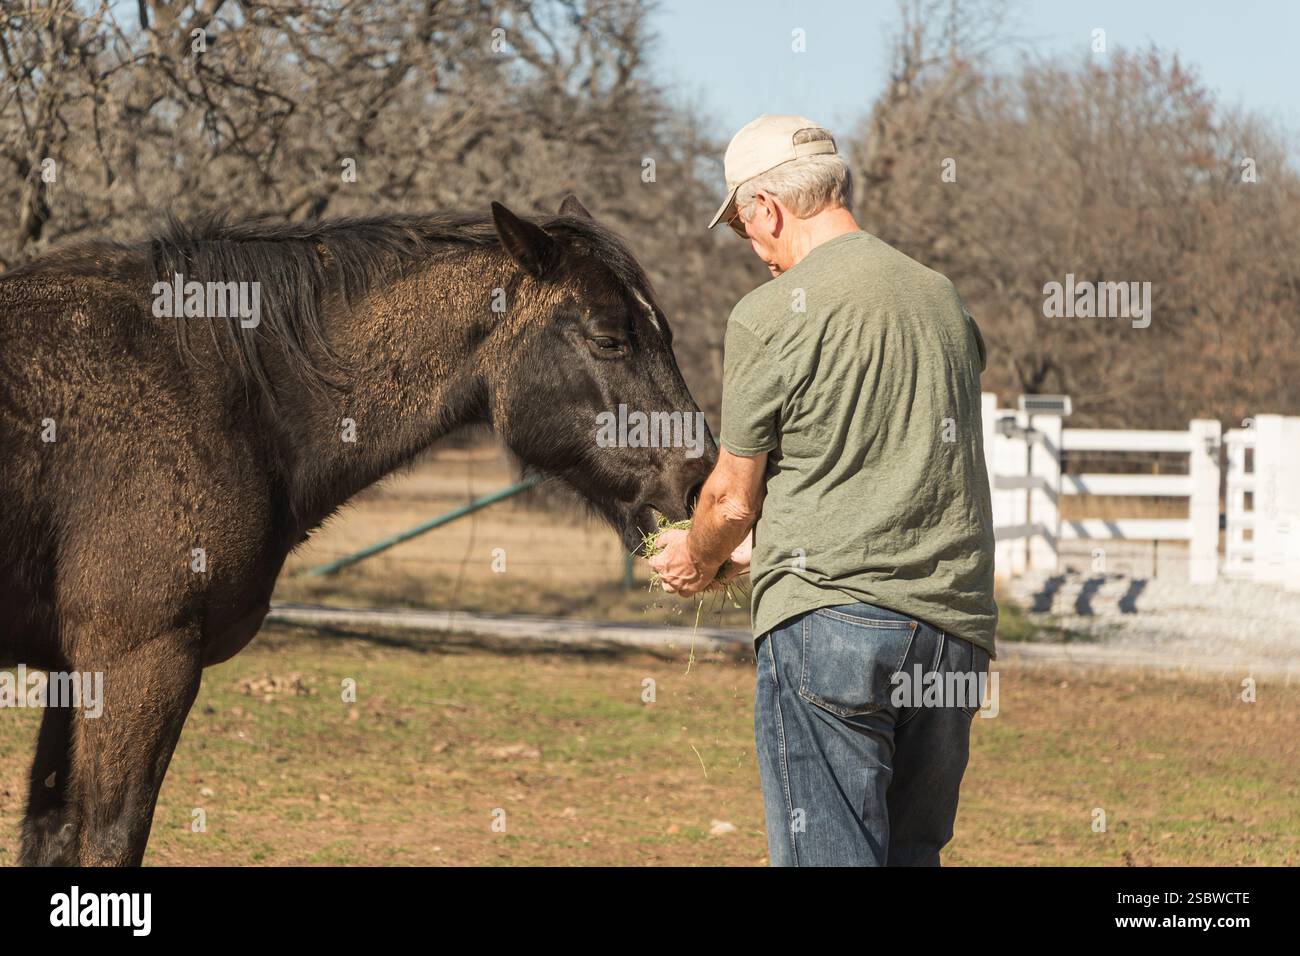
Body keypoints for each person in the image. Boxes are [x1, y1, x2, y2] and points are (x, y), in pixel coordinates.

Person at [649, 114, 997, 866]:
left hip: (831, 627)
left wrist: (697, 558)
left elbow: (732, 500)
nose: (753, 249)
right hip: (951, 636)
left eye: (746, 226)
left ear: (766, 209)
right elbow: (895, 473)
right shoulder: (943, 300)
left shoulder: (770, 316)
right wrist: (763, 553)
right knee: (911, 855)